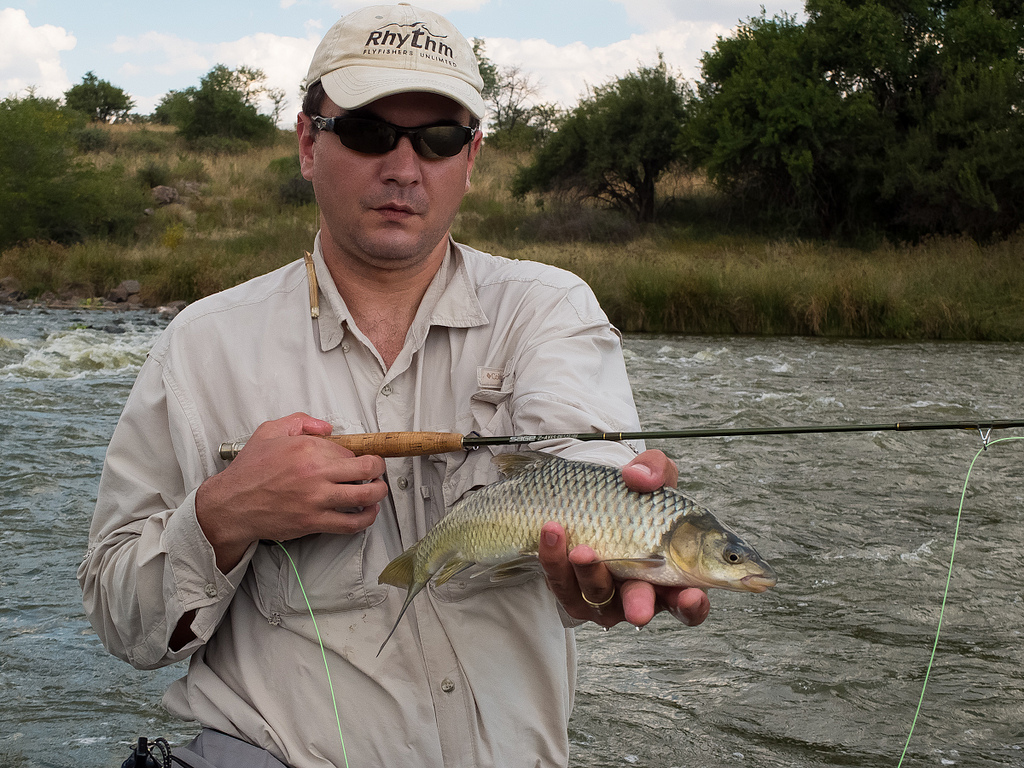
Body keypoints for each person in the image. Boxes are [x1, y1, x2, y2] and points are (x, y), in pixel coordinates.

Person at [79, 4, 710, 767]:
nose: (404, 168)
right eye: (371, 131)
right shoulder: (201, 344)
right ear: (309, 142)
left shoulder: (551, 309)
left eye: (438, 139)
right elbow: (124, 626)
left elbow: (590, 464)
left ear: (471, 158)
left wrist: (611, 562)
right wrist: (224, 514)